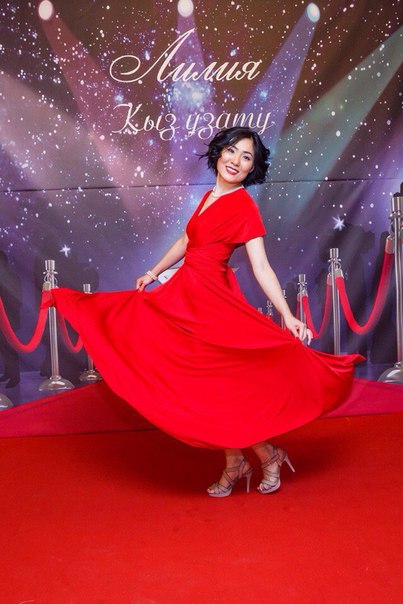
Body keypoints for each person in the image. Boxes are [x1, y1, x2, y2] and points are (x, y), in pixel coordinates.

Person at [41, 127, 363, 497]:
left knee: (218, 387)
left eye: (246, 157)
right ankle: (249, 459)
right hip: (186, 297)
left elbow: (261, 266)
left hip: (213, 305)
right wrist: (154, 271)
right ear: (219, 153)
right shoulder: (209, 197)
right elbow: (186, 239)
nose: (236, 161)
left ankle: (257, 458)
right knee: (204, 388)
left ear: (252, 168)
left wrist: (287, 315)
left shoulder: (243, 206)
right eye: (232, 151)